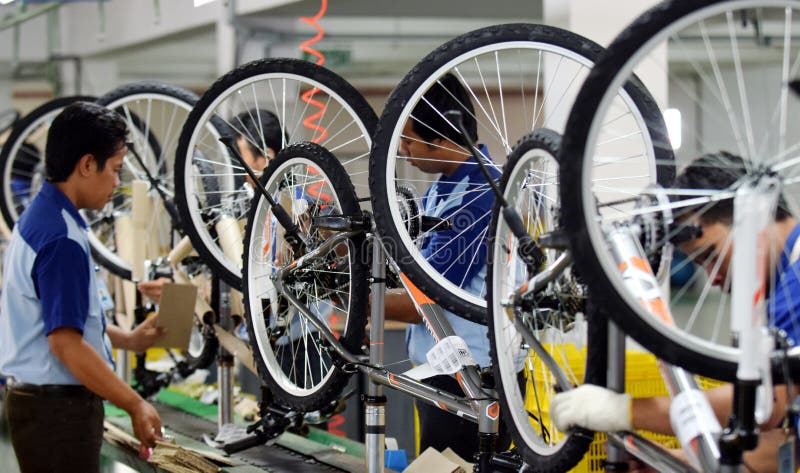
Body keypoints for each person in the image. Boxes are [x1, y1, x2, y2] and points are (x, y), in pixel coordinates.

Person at [551, 151, 799, 472]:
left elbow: (763, 407)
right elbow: (791, 446)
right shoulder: (787, 286)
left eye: (709, 255)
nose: (713, 279)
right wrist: (680, 460)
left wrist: (624, 411)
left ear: (752, 214)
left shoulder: (795, 287)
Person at [0, 101, 166, 473]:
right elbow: (64, 344)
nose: (117, 183)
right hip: (57, 413)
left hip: (43, 407)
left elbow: (58, 321)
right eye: (116, 170)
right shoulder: (60, 238)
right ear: (87, 165)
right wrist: (135, 404)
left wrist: (127, 339)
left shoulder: (43, 218)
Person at [384, 73, 522, 460]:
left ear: (443, 139)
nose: (404, 151)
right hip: (443, 371)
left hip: (471, 378)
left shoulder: (478, 198)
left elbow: (423, 302)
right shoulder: (443, 189)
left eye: (408, 140)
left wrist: (353, 300)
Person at [138, 107, 286, 302]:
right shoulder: (247, 207)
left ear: (267, 157)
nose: (236, 168)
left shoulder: (294, 211)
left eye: (239, 158)